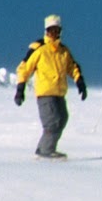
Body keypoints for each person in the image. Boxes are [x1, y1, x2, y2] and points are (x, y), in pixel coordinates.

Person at [14, 14, 87, 159]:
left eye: (56, 30)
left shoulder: (63, 51)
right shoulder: (39, 48)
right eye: (50, 30)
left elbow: (72, 67)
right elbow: (24, 68)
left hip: (59, 92)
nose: (53, 33)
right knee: (52, 122)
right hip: (45, 92)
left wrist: (80, 82)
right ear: (46, 30)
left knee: (62, 119)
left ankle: (44, 149)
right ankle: (46, 151)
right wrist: (20, 89)